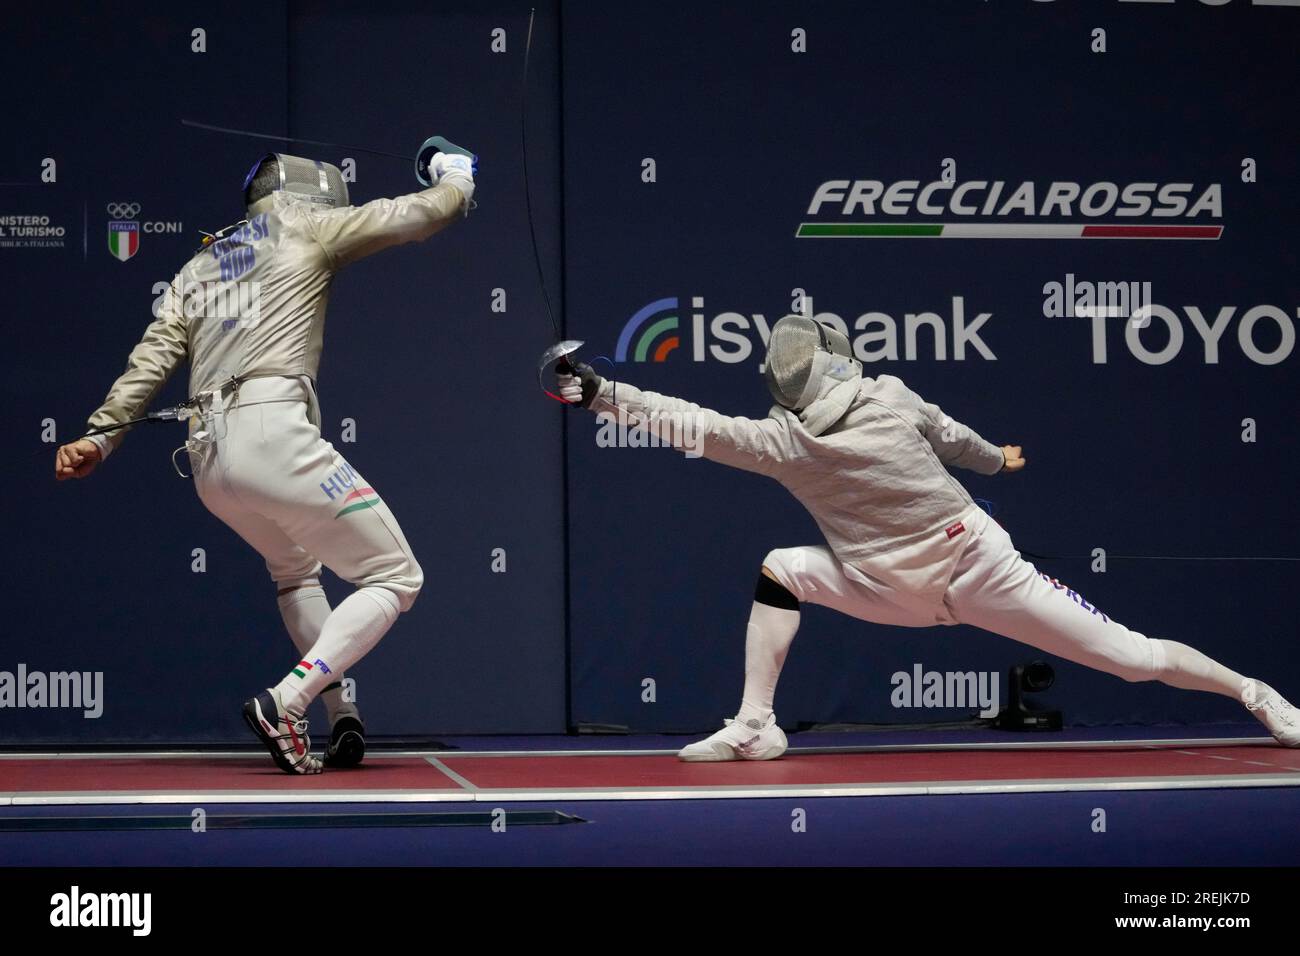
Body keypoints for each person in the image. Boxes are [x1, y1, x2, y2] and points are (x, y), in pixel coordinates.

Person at [555, 314, 1300, 760]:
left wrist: (596, 392)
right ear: (841, 358)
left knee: (1131, 659)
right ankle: (754, 726)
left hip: (972, 574)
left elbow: (691, 424)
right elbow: (959, 440)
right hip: (894, 585)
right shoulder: (870, 401)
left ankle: (1255, 693)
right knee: (782, 567)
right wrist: (997, 461)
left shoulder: (782, 439)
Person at [54, 149, 476, 773]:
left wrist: (102, 435)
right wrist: (457, 174)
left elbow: (151, 359)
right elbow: (420, 213)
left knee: (298, 575)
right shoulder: (309, 225)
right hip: (272, 435)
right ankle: (288, 701)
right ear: (314, 191)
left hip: (207, 463)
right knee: (395, 575)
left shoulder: (200, 263)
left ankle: (341, 715)